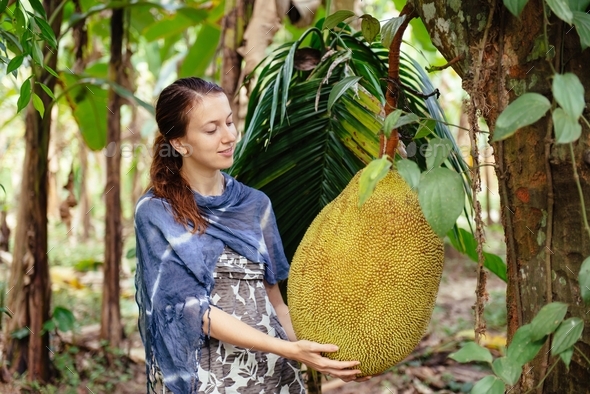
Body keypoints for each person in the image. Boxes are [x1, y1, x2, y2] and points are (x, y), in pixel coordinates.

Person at [134, 77, 367, 394]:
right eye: (211, 129)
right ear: (179, 142)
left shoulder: (255, 204)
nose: (229, 136)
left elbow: (276, 305)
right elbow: (195, 311)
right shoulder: (155, 213)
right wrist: (287, 349)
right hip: (206, 380)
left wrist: (331, 356)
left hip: (272, 375)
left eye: (229, 122)